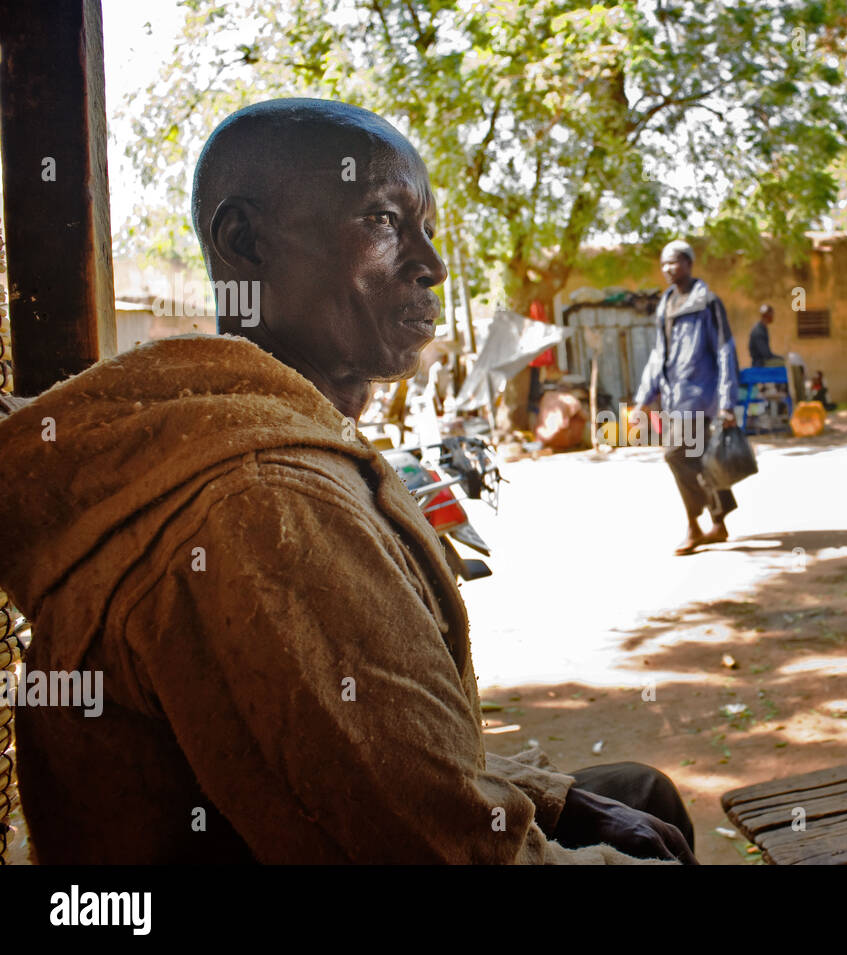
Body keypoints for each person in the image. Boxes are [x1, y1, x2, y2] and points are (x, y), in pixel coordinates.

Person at [0, 99, 695, 865]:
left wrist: (556, 801)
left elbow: (387, 760)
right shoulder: (263, 504)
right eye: (385, 221)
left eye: (424, 225)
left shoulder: (271, 436)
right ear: (244, 242)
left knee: (639, 793)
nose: (430, 263)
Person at [629, 240, 740, 556]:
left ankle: (694, 526)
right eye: (663, 263)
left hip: (701, 394)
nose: (668, 268)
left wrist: (727, 401)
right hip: (674, 395)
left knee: (675, 453)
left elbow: (724, 350)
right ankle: (719, 522)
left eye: (674, 262)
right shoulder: (665, 305)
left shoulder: (708, 303)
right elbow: (658, 355)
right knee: (701, 457)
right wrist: (643, 399)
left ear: (689, 263)